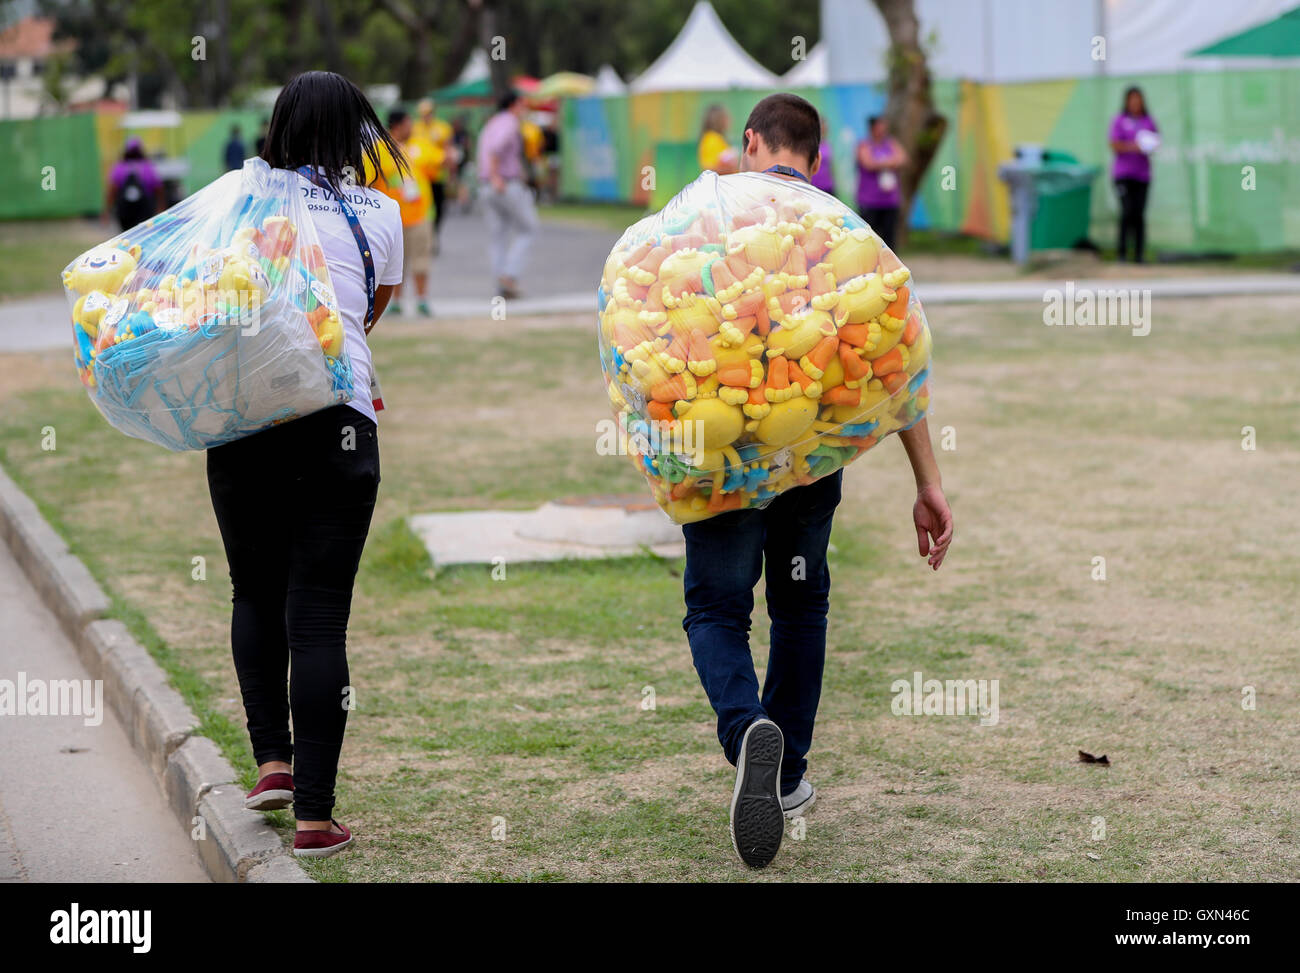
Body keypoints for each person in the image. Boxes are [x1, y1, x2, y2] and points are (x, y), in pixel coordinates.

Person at [684, 92, 953, 869]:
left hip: (722, 450)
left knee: (715, 605)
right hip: (811, 455)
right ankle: (789, 772)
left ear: (748, 143)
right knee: (800, 603)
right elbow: (896, 362)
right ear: (816, 156)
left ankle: (747, 731)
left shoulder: (705, 220)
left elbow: (650, 332)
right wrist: (927, 481)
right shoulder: (847, 233)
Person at [217, 70, 404, 858]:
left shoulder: (238, 197)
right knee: (320, 614)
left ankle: (271, 760)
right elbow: (369, 310)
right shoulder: (382, 211)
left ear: (280, 126)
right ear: (360, 131)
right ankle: (316, 821)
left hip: (244, 422)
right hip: (338, 423)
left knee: (254, 587)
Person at [365, 108, 440, 317]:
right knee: (394, 262)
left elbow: (437, 165)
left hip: (420, 213)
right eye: (408, 123)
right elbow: (367, 181)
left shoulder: (419, 144)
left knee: (421, 258)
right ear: (397, 126)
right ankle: (394, 302)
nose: (412, 127)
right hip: (391, 218)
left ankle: (422, 299)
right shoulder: (378, 150)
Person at [477, 91, 539, 299]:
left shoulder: (491, 123)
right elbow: (496, 149)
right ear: (514, 104)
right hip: (504, 184)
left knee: (498, 237)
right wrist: (496, 175)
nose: (524, 108)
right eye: (522, 104)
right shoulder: (510, 123)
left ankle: (500, 284)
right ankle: (509, 275)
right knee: (528, 228)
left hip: (486, 185)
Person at [1109, 86, 1158, 263]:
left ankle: (1139, 255)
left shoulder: (1148, 121)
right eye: (1132, 99)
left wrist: (1148, 146)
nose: (1135, 102)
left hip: (1142, 175)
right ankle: (1121, 254)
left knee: (1139, 214)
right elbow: (1114, 144)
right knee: (1127, 212)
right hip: (1124, 175)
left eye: (1138, 99)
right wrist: (1134, 146)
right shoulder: (1119, 120)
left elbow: (1155, 143)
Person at [856, 115, 907, 248]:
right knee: (868, 238)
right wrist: (890, 162)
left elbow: (903, 158)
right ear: (872, 128)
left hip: (890, 200)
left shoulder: (890, 143)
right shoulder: (865, 145)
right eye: (880, 126)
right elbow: (868, 163)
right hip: (870, 200)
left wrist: (881, 162)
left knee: (890, 237)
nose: (883, 130)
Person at [412, 99, 452, 251]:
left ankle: (434, 232)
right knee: (425, 207)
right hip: (420, 176)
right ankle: (426, 236)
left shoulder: (442, 128)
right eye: (423, 114)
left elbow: (448, 150)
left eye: (428, 113)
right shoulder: (416, 128)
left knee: (440, 207)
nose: (426, 116)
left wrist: (450, 173)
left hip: (437, 174)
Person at [105, 137, 164, 231]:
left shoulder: (119, 167)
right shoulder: (147, 166)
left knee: (126, 237)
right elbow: (158, 189)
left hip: (124, 213)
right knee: (143, 235)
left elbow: (112, 190)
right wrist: (160, 208)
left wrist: (106, 211)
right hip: (144, 212)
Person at [697, 104, 738, 174]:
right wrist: (730, 168)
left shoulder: (718, 138)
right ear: (718, 120)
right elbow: (709, 168)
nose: (729, 120)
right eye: (725, 117)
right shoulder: (711, 139)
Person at [810, 117, 835, 195]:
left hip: (828, 186)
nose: (825, 129)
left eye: (825, 126)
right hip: (814, 187)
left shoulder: (827, 144)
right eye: (822, 126)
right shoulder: (810, 144)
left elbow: (830, 166)